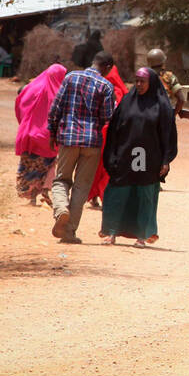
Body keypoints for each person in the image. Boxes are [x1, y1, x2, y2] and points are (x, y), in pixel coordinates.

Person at [100, 67, 178, 248]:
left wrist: (166, 160)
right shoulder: (127, 101)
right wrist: (112, 155)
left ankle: (142, 236)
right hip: (125, 156)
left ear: (151, 83)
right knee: (118, 193)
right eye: (137, 81)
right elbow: (114, 130)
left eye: (143, 81)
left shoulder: (161, 106)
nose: (139, 85)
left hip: (149, 159)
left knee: (144, 196)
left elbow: (168, 135)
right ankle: (111, 233)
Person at [46, 50, 116, 243]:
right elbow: (108, 117)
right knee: (81, 187)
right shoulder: (106, 86)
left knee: (61, 180)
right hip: (92, 142)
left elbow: (55, 108)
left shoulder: (71, 77)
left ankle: (61, 210)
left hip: (68, 139)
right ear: (107, 67)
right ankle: (69, 233)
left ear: (93, 62)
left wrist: (52, 132)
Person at [14, 63, 67, 205]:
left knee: (30, 164)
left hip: (30, 135)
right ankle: (44, 191)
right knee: (48, 166)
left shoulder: (32, 88)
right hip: (49, 139)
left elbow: (20, 104)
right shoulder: (61, 94)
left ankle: (31, 196)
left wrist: (25, 125)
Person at [86, 62, 128, 209]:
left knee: (98, 166)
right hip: (112, 133)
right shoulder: (119, 90)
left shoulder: (99, 86)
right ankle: (105, 197)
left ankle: (96, 196)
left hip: (100, 131)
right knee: (107, 167)